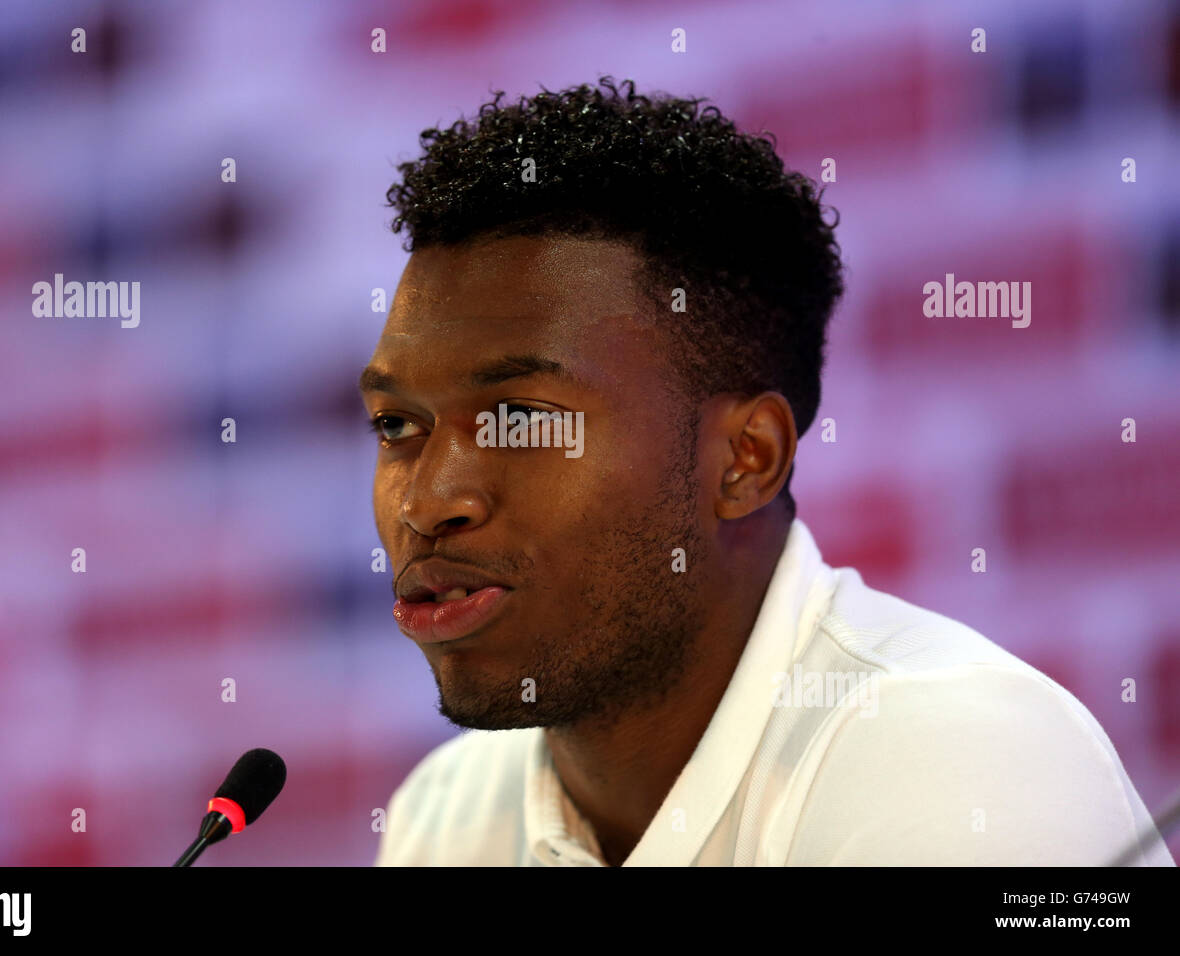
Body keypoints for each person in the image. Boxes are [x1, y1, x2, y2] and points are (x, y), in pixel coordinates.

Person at [360, 77, 1173, 866]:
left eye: (523, 420)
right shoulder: (446, 815)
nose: (429, 502)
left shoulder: (961, 762)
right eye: (397, 426)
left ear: (746, 460)